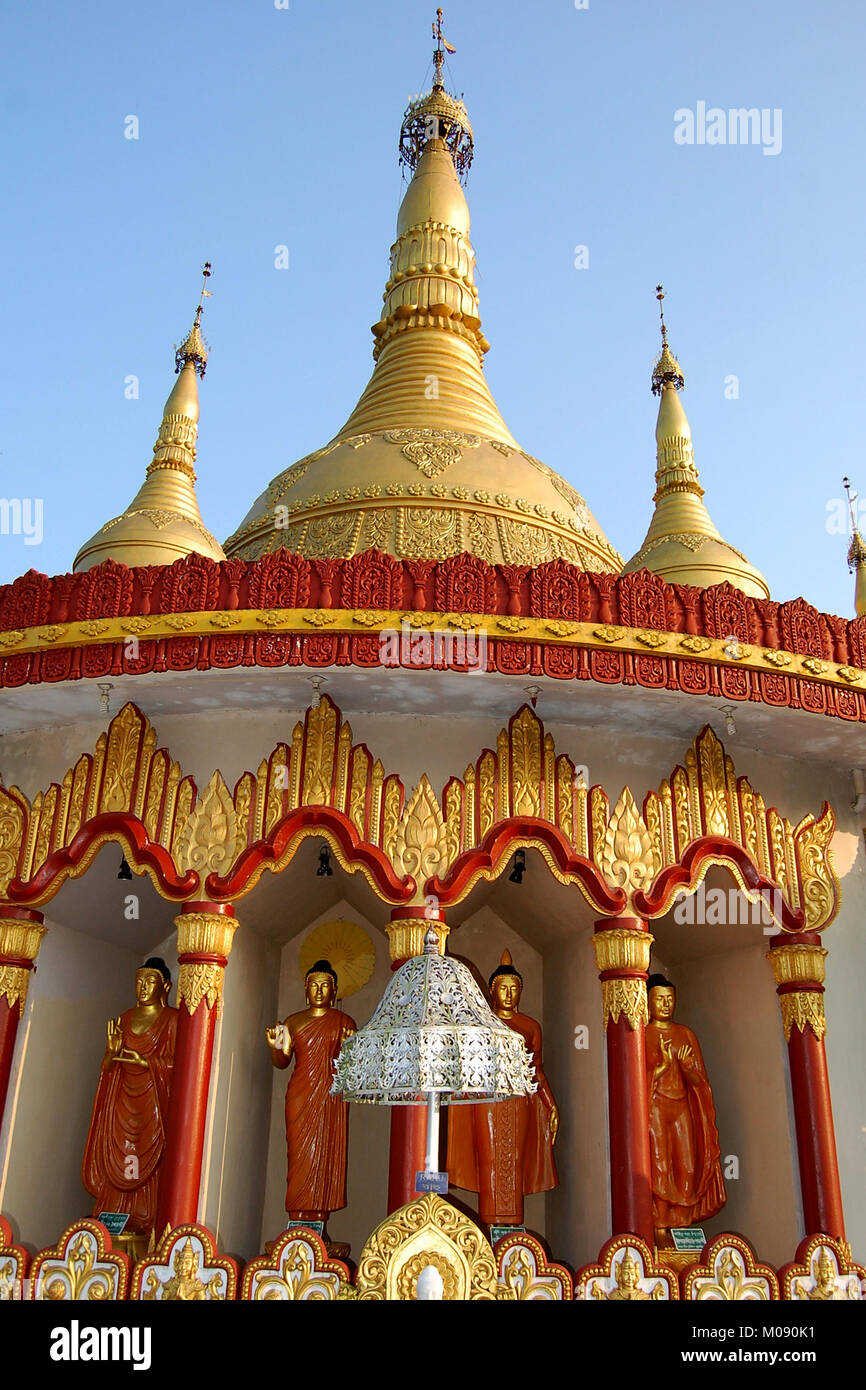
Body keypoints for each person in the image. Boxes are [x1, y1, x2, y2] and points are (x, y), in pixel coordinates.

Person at [447, 950, 558, 1226]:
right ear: (492, 992)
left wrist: (550, 1103)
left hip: (519, 1100)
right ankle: (489, 1222)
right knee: (490, 1160)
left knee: (514, 1161)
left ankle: (511, 1225)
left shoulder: (530, 1027)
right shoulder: (479, 1026)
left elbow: (536, 1071)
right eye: (502, 989)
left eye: (513, 989)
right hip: (487, 1100)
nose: (508, 995)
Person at [81, 957, 177, 1234]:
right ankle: (115, 1213)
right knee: (121, 1153)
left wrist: (147, 1063)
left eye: (150, 981)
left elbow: (181, 1065)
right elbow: (109, 1067)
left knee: (150, 1157)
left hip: (154, 1101)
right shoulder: (124, 1018)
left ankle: (143, 1218)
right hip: (123, 1099)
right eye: (139, 981)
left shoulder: (172, 1020)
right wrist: (111, 1053)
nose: (143, 987)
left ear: (166, 986)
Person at [265, 959, 356, 1222]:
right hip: (300, 1094)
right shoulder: (292, 1023)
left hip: (329, 1096)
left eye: (324, 986)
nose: (318, 991)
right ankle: (297, 1215)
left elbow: (351, 1070)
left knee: (323, 1156)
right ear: (306, 989)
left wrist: (349, 1049)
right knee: (299, 1157)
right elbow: (281, 1063)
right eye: (314, 985)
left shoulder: (343, 1021)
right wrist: (274, 1046)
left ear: (334, 990)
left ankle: (318, 1219)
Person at [645, 973, 726, 1233]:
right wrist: (663, 1067)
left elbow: (699, 1081)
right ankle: (659, 1224)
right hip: (656, 1104)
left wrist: (687, 1068)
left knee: (687, 1165)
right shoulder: (643, 1034)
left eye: (670, 999)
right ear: (647, 1001)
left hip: (681, 1105)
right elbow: (635, 1082)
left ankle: (681, 1223)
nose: (666, 1004)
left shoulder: (685, 1034)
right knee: (660, 1164)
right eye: (659, 999)